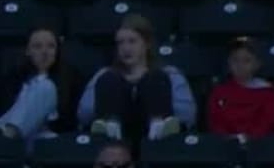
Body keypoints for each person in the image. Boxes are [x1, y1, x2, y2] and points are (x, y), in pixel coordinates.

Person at [76, 14, 197, 146]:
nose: (126, 48)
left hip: (156, 138)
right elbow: (84, 114)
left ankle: (159, 127)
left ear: (147, 44)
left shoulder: (169, 73)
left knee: (155, 78)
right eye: (120, 43)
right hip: (116, 138)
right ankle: (110, 127)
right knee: (109, 79)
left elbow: (188, 116)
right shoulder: (104, 75)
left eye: (132, 41)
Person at [0, 27, 81, 150]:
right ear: (28, 51)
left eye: (51, 46)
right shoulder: (12, 79)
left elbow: (69, 121)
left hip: (40, 138)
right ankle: (7, 137)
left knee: (45, 86)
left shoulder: (70, 79)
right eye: (37, 46)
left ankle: (8, 139)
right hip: (3, 130)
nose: (45, 51)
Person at [206, 37, 274, 140]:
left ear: (257, 64)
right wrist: (228, 139)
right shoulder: (219, 92)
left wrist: (248, 138)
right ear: (228, 63)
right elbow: (215, 121)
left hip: (257, 146)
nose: (240, 65)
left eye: (247, 60)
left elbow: (266, 122)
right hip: (224, 146)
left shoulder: (267, 92)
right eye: (235, 60)